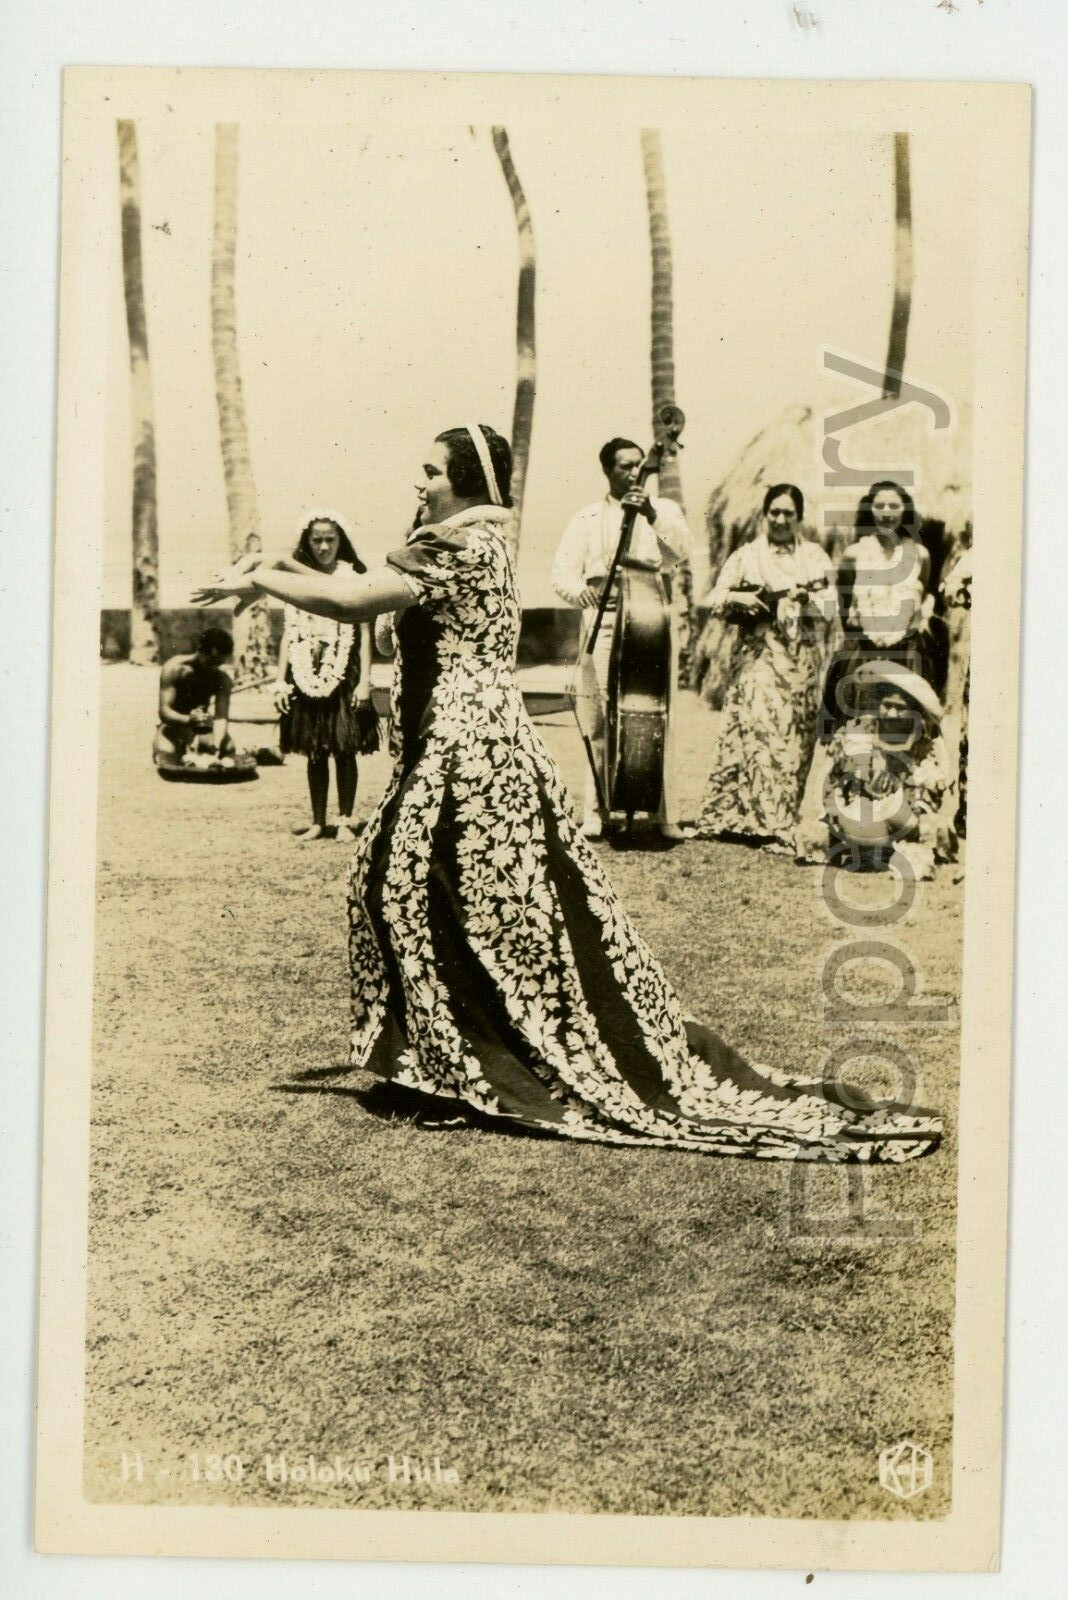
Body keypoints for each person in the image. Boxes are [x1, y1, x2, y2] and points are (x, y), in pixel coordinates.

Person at [193, 423, 939, 1161]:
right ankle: (439, 1060)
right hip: (468, 740)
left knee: (409, 889)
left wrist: (260, 580)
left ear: (466, 480)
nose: (418, 481)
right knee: (426, 895)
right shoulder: (470, 541)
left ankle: (453, 1066)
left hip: (466, 746)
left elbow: (356, 601)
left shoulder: (459, 545)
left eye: (430, 470)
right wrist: (271, 567)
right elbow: (352, 587)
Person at [551, 438, 703, 841]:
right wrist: (578, 592)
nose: (635, 473)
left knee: (659, 713)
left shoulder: (664, 510)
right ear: (607, 471)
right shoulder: (585, 517)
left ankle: (662, 814)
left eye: (639, 465)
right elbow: (562, 572)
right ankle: (596, 810)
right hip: (602, 618)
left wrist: (651, 514)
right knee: (598, 716)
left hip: (650, 615)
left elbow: (683, 552)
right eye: (625, 467)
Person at [689, 485, 834, 849]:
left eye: (788, 513)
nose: (781, 520)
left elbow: (830, 605)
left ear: (799, 517)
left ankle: (778, 818)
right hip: (756, 657)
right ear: (764, 514)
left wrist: (805, 600)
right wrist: (739, 598)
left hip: (799, 660)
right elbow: (712, 598)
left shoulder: (815, 557)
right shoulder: (746, 556)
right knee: (754, 731)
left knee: (793, 739)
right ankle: (739, 816)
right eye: (775, 512)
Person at [795, 660, 957, 879]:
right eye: (887, 704)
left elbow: (934, 779)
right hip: (861, 798)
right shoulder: (860, 730)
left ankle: (880, 848)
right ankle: (870, 844)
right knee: (868, 829)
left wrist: (907, 780)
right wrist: (866, 775)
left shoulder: (923, 742)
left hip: (903, 804)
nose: (891, 713)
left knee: (907, 820)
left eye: (900, 708)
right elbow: (848, 771)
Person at [273, 514, 376, 843]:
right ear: (307, 541)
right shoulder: (297, 578)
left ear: (340, 540)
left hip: (345, 670)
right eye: (316, 540)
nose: (323, 547)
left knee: (344, 748)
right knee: (315, 749)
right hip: (305, 670)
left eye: (330, 539)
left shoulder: (352, 577)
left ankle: (345, 819)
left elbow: (363, 630)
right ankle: (318, 821)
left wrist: (365, 682)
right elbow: (289, 633)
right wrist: (279, 679)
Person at [821, 481, 938, 740]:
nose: (887, 512)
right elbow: (843, 602)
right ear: (870, 509)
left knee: (902, 732)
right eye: (880, 505)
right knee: (858, 733)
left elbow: (925, 591)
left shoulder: (919, 555)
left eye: (894, 505)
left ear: (904, 510)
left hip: (906, 654)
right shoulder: (854, 554)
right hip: (865, 653)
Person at [152, 628, 236, 769]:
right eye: (210, 662)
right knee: (166, 754)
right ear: (199, 651)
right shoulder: (175, 668)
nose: (214, 667)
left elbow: (221, 717)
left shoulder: (222, 678)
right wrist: (188, 719)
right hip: (175, 726)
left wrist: (217, 744)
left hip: (202, 727)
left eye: (219, 663)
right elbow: (164, 711)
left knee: (228, 748)